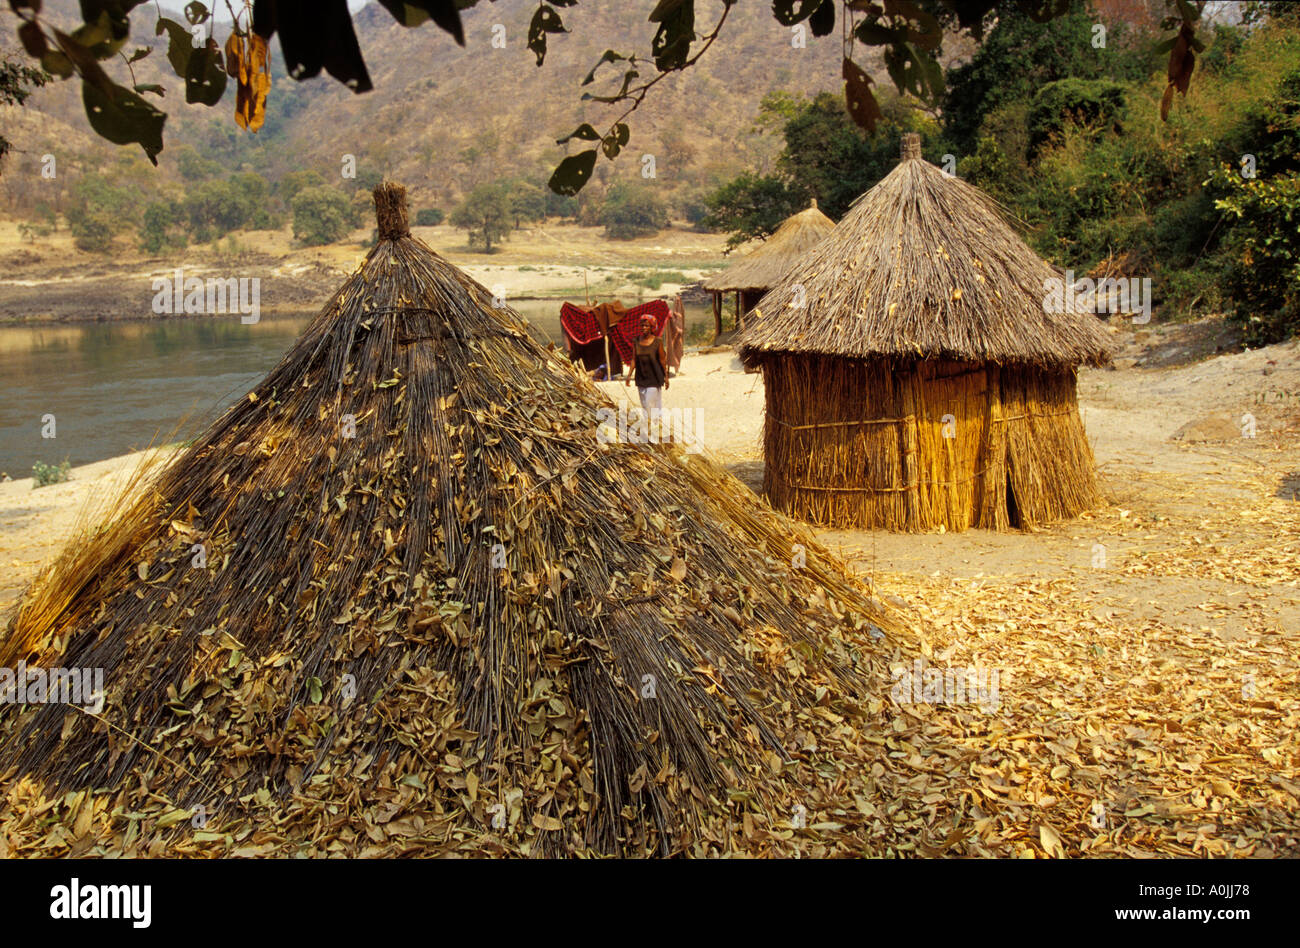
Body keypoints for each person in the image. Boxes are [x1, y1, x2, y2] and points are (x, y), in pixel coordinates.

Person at [626, 314, 668, 433]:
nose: (643, 327)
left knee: (650, 404)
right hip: (641, 378)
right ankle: (652, 430)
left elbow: (662, 359)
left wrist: (666, 377)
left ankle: (655, 429)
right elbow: (634, 359)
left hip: (654, 378)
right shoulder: (636, 341)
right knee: (645, 406)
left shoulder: (657, 341)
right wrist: (629, 376)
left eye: (646, 325)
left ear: (652, 327)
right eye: (642, 325)